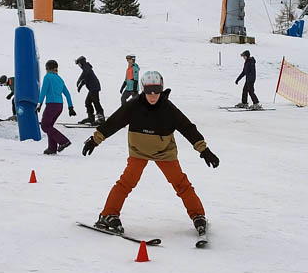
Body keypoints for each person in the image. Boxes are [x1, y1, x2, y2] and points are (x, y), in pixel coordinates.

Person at [82, 70, 219, 239]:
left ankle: (198, 215)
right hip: (138, 151)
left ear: (161, 90)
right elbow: (114, 122)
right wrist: (95, 139)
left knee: (181, 184)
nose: (153, 96)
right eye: (149, 92)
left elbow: (187, 127)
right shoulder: (133, 106)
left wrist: (204, 150)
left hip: (164, 152)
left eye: (156, 91)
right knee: (126, 183)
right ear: (143, 90)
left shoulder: (168, 108)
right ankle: (108, 215)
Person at [37, 60, 76, 154]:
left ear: (47, 68)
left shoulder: (47, 77)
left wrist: (39, 104)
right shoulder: (60, 79)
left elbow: (43, 91)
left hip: (51, 105)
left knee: (45, 126)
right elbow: (67, 94)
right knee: (50, 126)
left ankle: (63, 141)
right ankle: (52, 148)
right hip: (59, 106)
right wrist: (70, 108)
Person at [75, 55, 105, 125]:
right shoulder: (86, 68)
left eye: (79, 63)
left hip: (94, 87)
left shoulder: (86, 67)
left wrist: (79, 79)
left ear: (82, 62)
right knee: (88, 102)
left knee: (96, 102)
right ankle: (91, 117)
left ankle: (101, 119)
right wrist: (80, 85)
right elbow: (86, 78)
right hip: (92, 88)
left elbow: (85, 73)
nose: (79, 65)